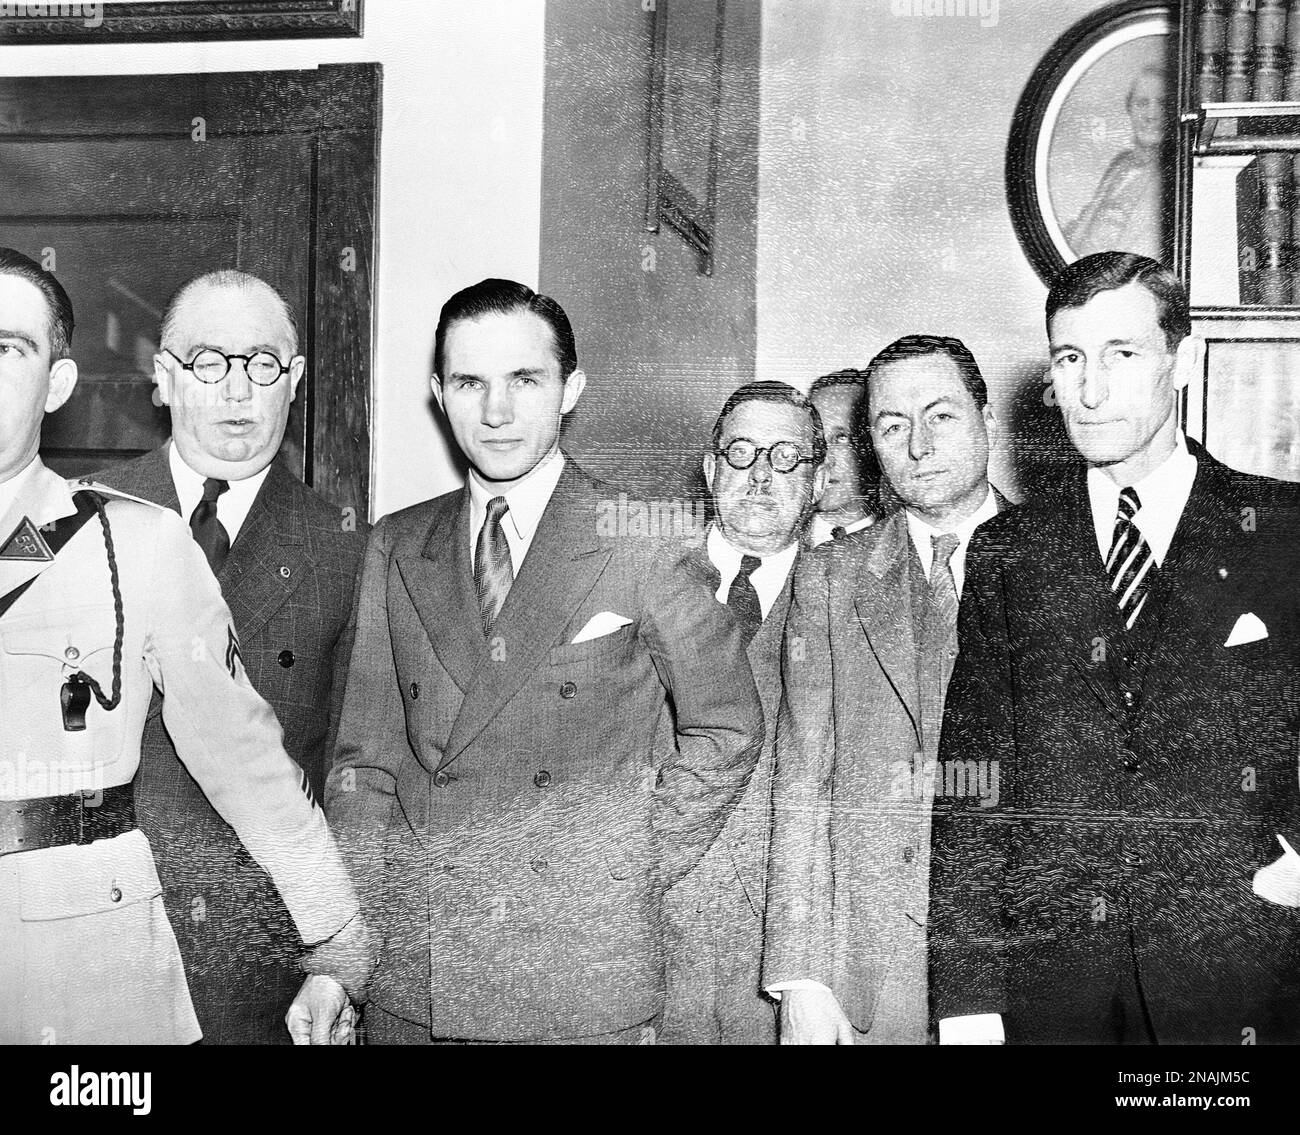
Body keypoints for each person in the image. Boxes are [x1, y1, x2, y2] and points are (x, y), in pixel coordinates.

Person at [326, 278, 764, 1044]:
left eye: (525, 380)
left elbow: (726, 729)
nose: (496, 412)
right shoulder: (396, 543)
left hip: (575, 980)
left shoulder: (643, 534)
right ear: (438, 393)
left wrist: (616, 861)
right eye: (470, 382)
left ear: (570, 389)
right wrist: (343, 956)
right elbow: (365, 764)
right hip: (415, 975)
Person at [0, 246, 372, 1045]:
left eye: (6, 349)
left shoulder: (119, 539)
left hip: (72, 967)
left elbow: (250, 763)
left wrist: (338, 943)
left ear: (56, 385)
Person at [930, 251, 1300, 1045]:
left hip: (1241, 973)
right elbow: (971, 779)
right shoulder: (1008, 553)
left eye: (1120, 354)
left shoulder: (1281, 532)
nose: (1089, 390)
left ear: (1184, 359)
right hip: (1054, 989)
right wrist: (966, 996)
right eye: (1070, 358)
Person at [764, 334, 1010, 1044]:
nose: (919, 446)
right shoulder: (830, 576)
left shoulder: (1061, 558)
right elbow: (802, 775)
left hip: (1024, 968)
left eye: (941, 417)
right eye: (892, 425)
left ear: (985, 419)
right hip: (872, 976)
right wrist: (801, 978)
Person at [662, 381, 826, 1045]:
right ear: (709, 469)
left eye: (786, 456)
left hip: (777, 980)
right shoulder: (633, 582)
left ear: (818, 480)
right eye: (740, 452)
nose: (760, 474)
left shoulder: (848, 601)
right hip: (647, 966)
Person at [1065, 66, 1171, 263]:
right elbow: (1085, 222)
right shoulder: (1121, 164)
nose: (1151, 115)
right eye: (1142, 103)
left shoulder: (1174, 175)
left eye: (1162, 104)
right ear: (1129, 108)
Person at [807, 369, 876, 546]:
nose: (823, 458)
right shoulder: (776, 539)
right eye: (814, 438)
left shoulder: (907, 545)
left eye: (841, 438)